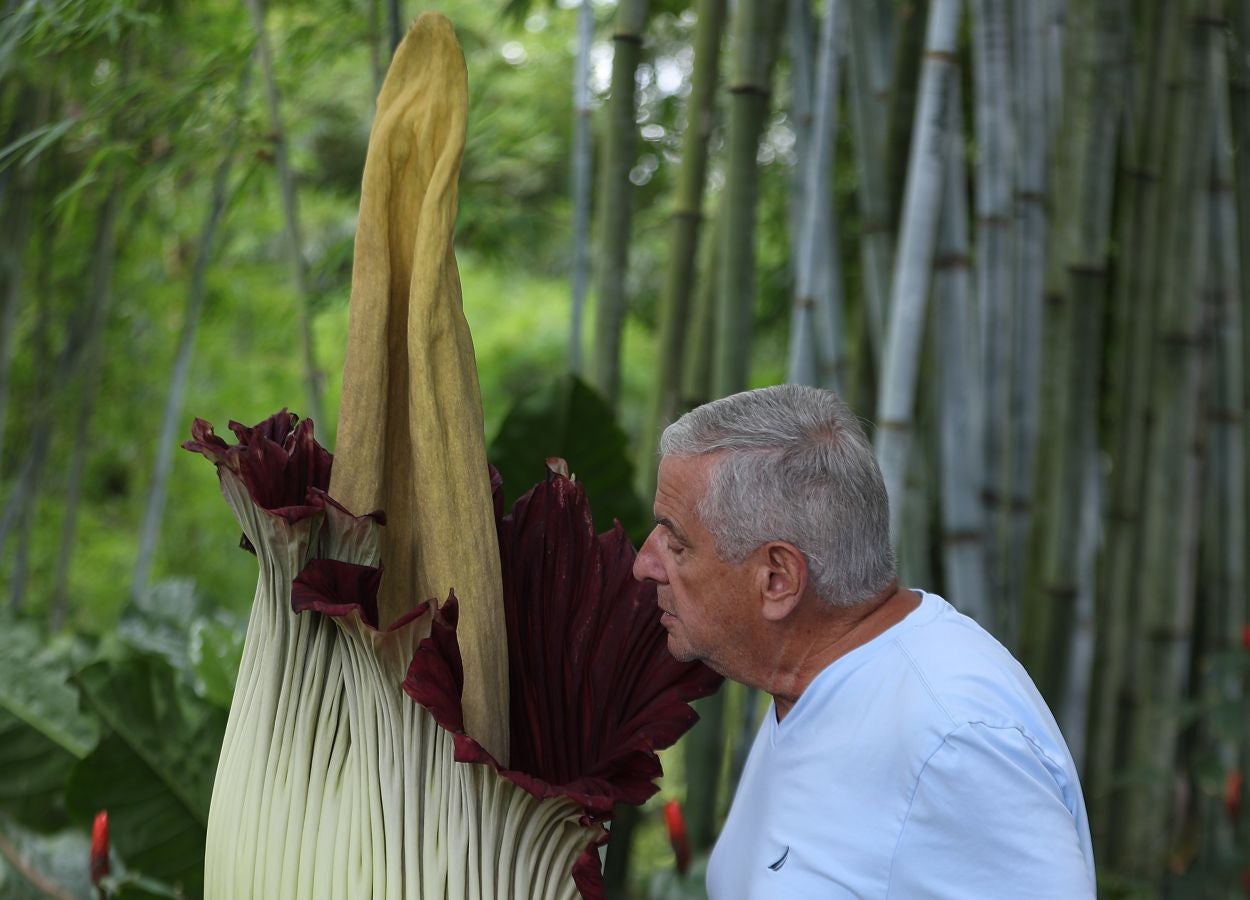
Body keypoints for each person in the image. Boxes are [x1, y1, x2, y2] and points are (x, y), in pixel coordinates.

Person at [632, 384, 1096, 898]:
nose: (644, 564)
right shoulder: (811, 681)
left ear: (777, 580)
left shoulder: (953, 739)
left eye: (676, 542)